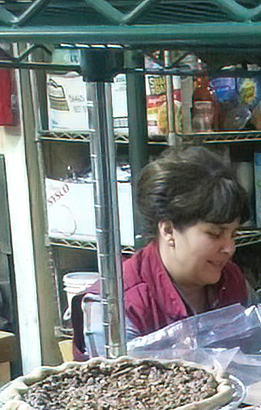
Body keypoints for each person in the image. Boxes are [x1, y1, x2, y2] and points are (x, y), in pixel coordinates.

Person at [73, 145, 251, 356]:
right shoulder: (116, 305)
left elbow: (257, 351)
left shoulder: (232, 282)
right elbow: (115, 384)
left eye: (234, 235)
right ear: (168, 230)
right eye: (214, 234)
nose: (229, 248)